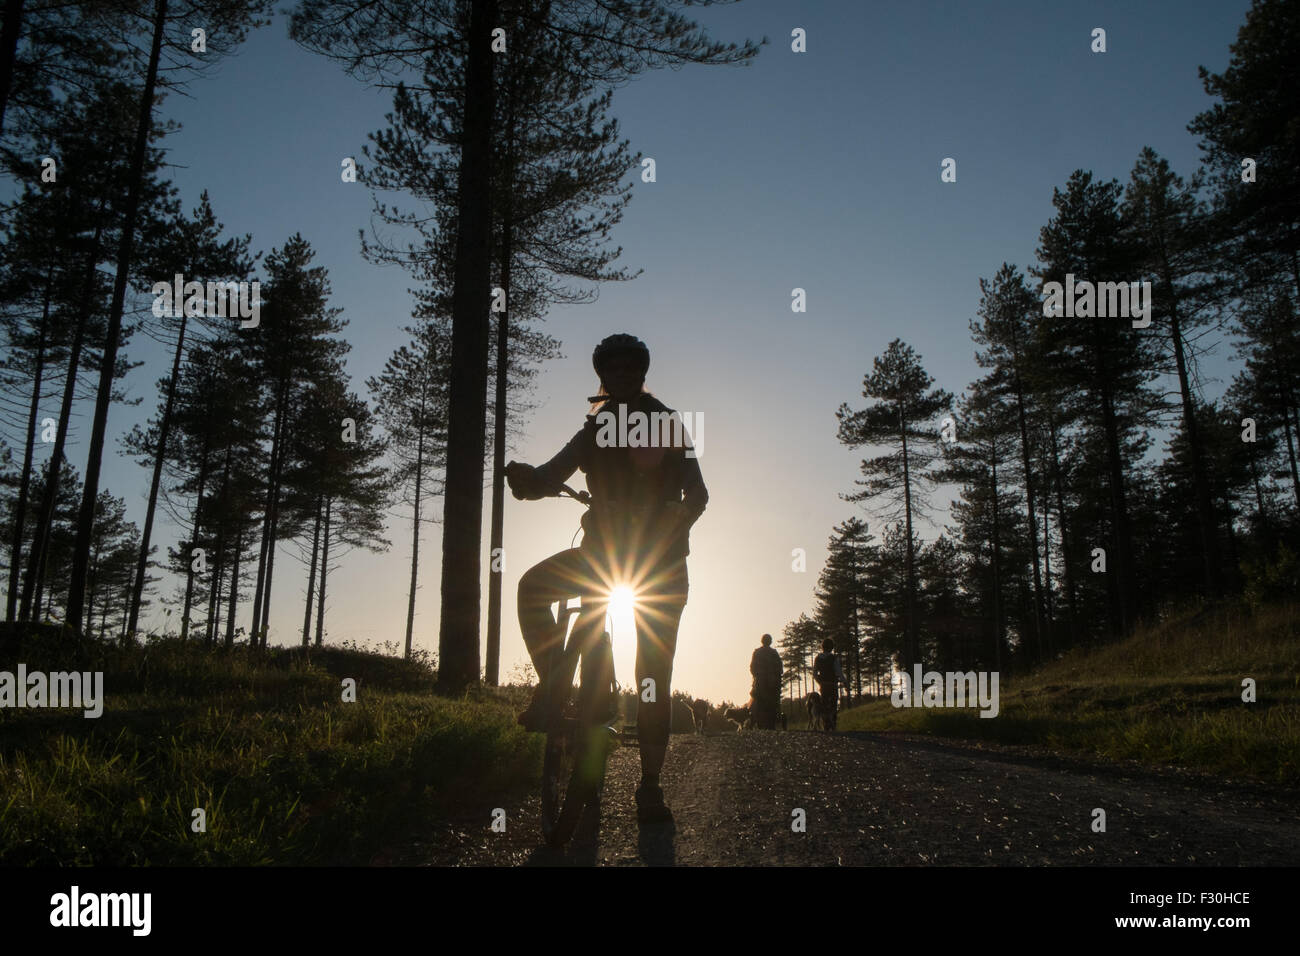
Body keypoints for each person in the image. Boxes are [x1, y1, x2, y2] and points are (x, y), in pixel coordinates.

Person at [505, 333, 707, 825]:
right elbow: (554, 473)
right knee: (532, 587)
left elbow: (698, 495)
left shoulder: (666, 423)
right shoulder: (593, 429)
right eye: (611, 370)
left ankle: (651, 787)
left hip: (659, 568)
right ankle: (557, 686)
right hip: (601, 557)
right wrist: (528, 480)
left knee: (651, 677)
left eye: (628, 369)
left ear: (641, 374)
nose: (619, 377)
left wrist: (666, 522)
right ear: (602, 375)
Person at [749, 633, 782, 730]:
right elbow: (780, 668)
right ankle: (773, 720)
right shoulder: (774, 653)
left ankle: (757, 719)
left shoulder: (757, 652)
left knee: (757, 699)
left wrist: (756, 676)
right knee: (774, 701)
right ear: (770, 641)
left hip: (760, 682)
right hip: (772, 682)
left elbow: (752, 667)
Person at [812, 638, 846, 731]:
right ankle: (833, 723)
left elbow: (814, 673)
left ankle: (825, 724)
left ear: (822, 647)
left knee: (824, 704)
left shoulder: (818, 658)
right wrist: (844, 682)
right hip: (832, 684)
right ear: (831, 647)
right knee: (833, 704)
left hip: (823, 685)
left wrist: (819, 682)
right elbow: (839, 672)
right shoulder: (833, 658)